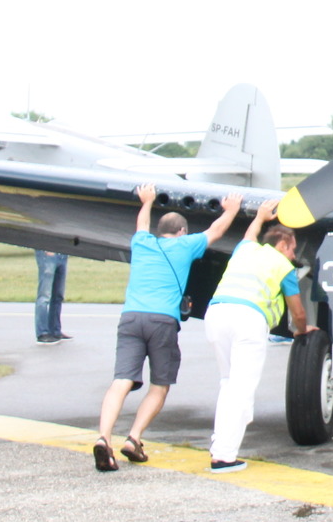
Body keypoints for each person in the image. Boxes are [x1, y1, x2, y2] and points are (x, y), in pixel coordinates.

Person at [95, 184, 241, 472]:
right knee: (160, 385)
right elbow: (216, 231)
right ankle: (134, 438)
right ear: (182, 232)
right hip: (162, 321)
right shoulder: (186, 245)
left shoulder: (141, 243)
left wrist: (146, 201)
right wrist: (232, 209)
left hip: (131, 317)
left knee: (121, 380)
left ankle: (103, 437)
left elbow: (141, 225)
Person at [205, 200, 314, 471]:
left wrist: (261, 217)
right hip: (248, 320)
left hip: (217, 313)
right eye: (292, 248)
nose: (293, 254)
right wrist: (302, 330)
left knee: (228, 383)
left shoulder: (246, 250)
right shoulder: (283, 267)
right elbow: (298, 312)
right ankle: (224, 456)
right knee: (242, 388)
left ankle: (220, 442)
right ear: (283, 245)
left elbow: (248, 235)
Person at [34, 250, 69, 345]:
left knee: (58, 295)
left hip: (62, 253)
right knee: (44, 296)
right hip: (47, 253)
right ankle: (42, 333)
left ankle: (55, 330)